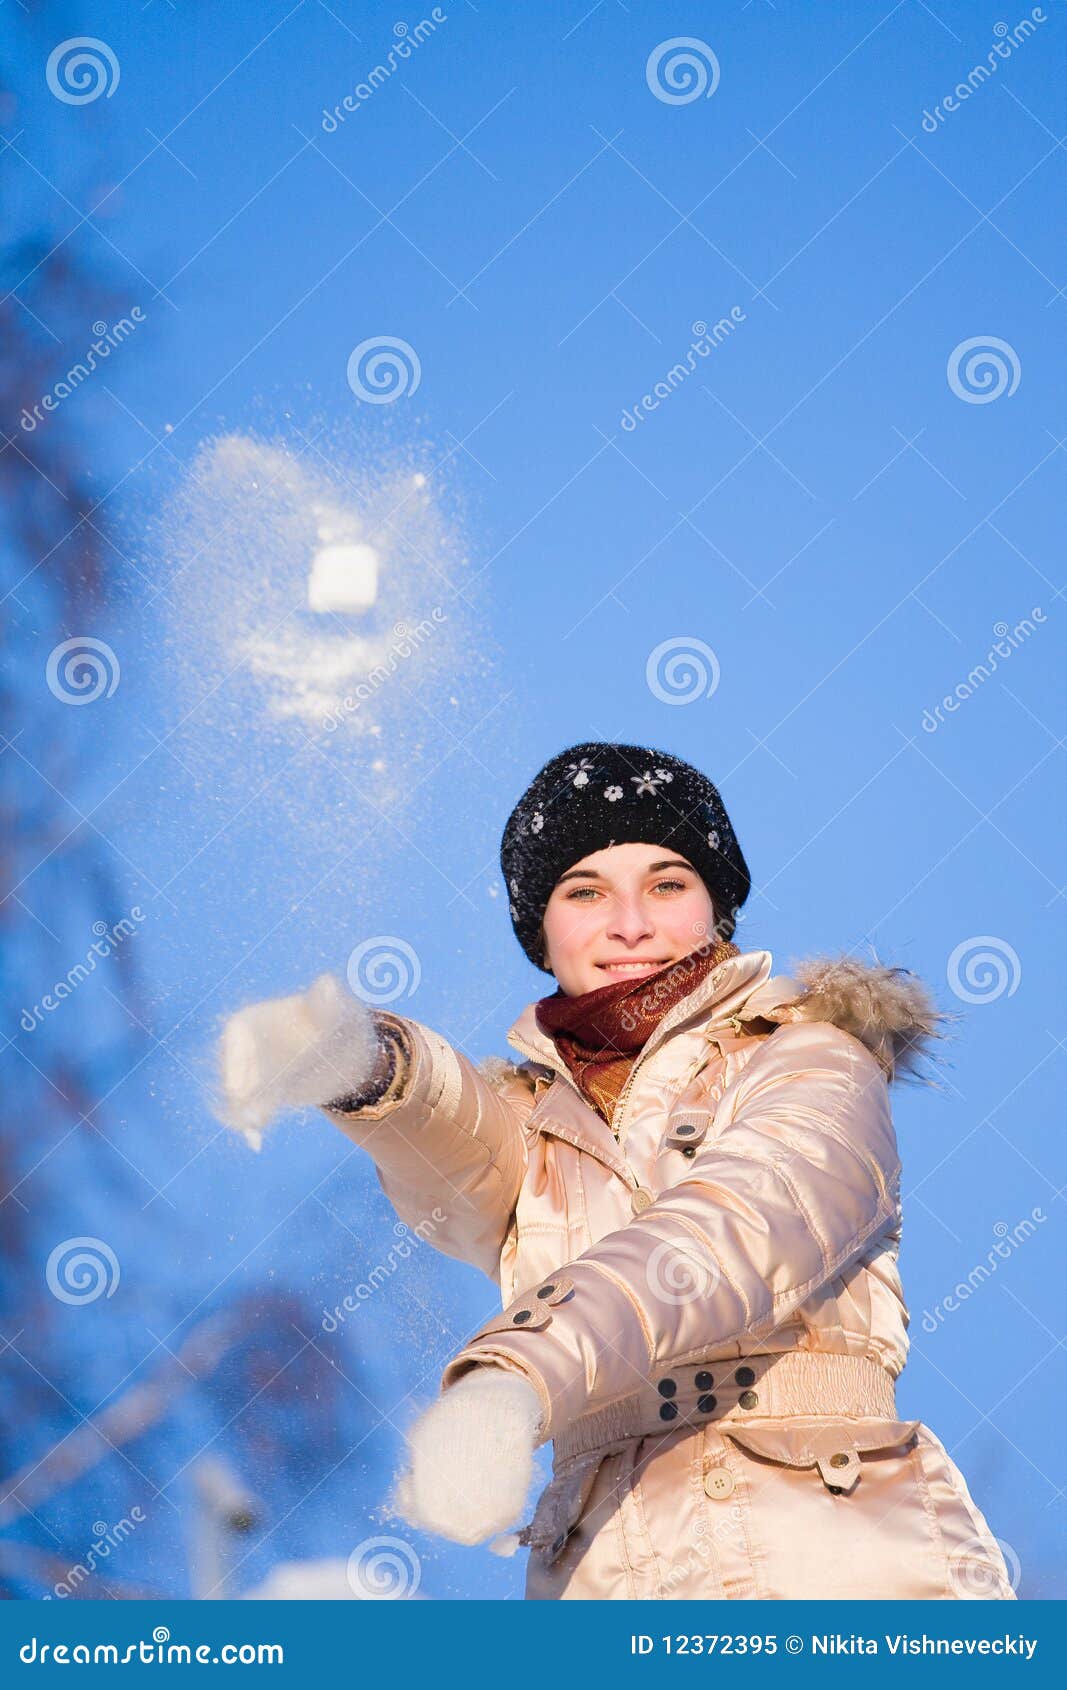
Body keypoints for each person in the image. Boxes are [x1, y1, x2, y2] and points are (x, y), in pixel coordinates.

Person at [217, 741, 1016, 1600]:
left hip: (833, 1567)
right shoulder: (544, 1130)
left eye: (667, 884)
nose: (629, 922)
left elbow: (734, 1229)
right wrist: (358, 1060)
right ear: (542, 932)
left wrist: (512, 1381)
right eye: (584, 892)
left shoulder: (808, 1060)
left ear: (718, 909)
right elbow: (461, 1142)